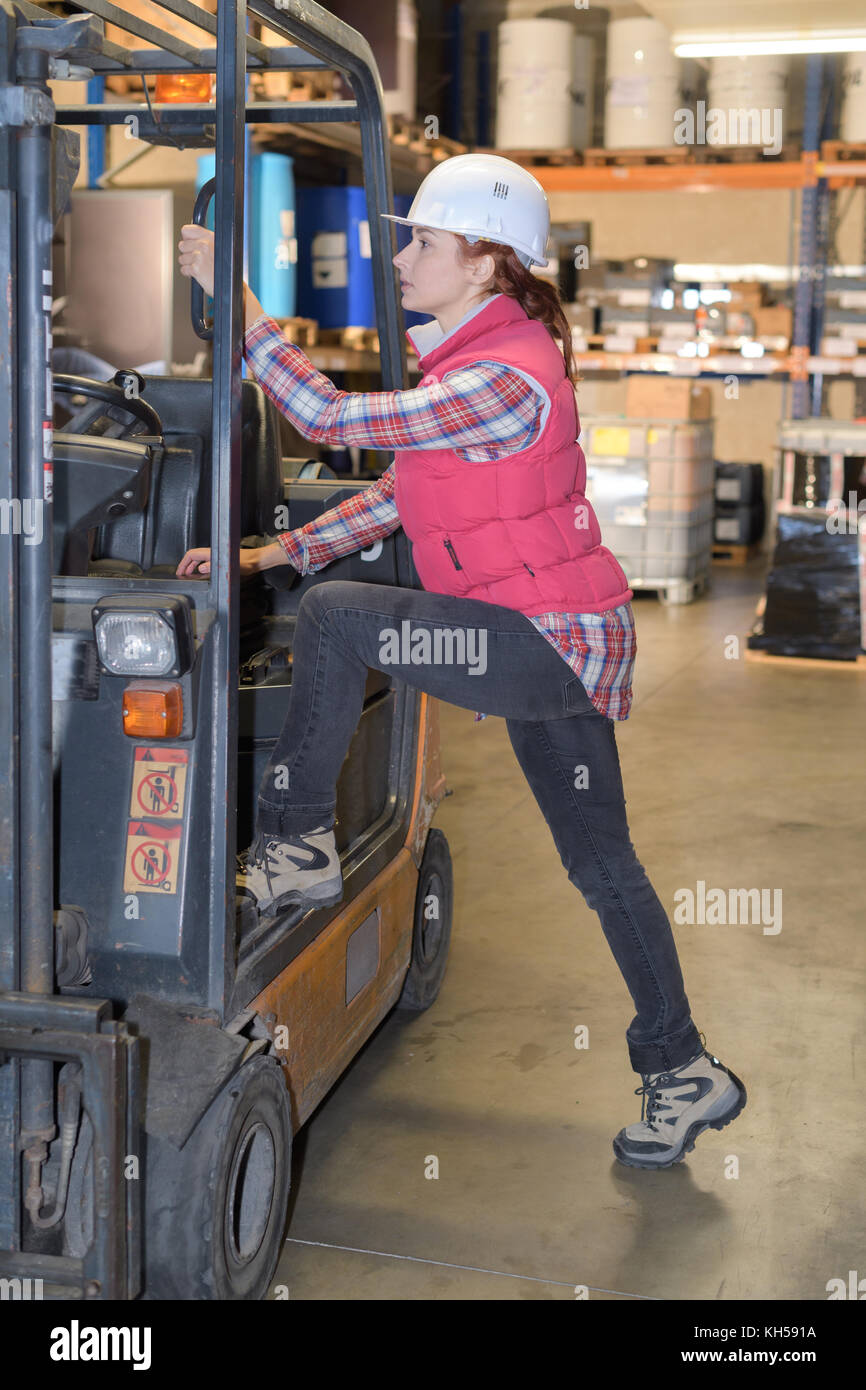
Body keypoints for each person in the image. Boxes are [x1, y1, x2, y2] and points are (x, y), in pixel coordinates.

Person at [176, 153, 746, 1169]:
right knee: (601, 866)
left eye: (423, 243)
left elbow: (330, 421)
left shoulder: (499, 379)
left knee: (342, 616)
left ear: (483, 264)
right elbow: (400, 495)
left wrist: (247, 308)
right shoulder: (474, 372)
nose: (400, 258)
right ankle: (682, 1067)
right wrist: (273, 550)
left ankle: (294, 844)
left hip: (544, 643)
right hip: (558, 642)